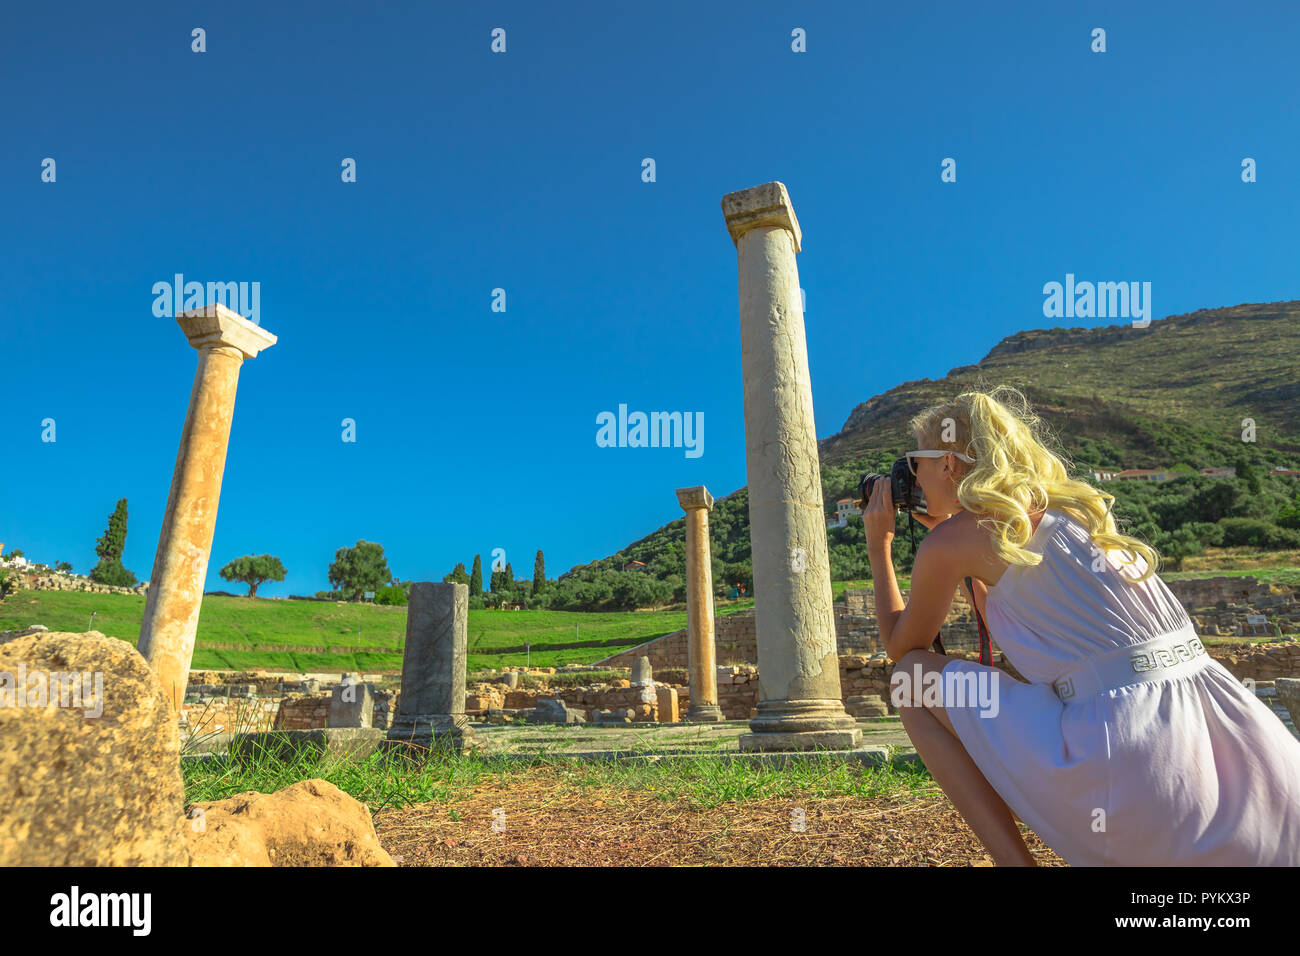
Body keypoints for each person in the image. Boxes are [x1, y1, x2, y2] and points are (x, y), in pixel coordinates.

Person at [861, 385, 1300, 866]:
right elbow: (1034, 631)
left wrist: (879, 546)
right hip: (1241, 741)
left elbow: (905, 647)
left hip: (1129, 756)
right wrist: (958, 559)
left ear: (947, 464)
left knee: (912, 680)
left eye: (914, 462)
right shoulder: (1075, 509)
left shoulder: (952, 541)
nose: (911, 479)